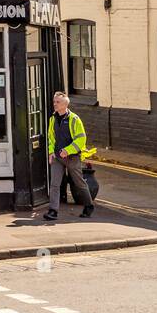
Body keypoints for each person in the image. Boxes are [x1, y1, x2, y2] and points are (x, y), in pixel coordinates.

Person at [44, 91, 94, 220]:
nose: (55, 104)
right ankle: (53, 211)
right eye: (54, 102)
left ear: (65, 104)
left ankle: (88, 206)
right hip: (57, 157)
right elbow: (51, 138)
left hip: (72, 158)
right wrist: (51, 152)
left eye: (57, 102)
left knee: (79, 183)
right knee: (55, 184)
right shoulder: (52, 119)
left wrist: (68, 150)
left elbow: (81, 139)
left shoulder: (74, 119)